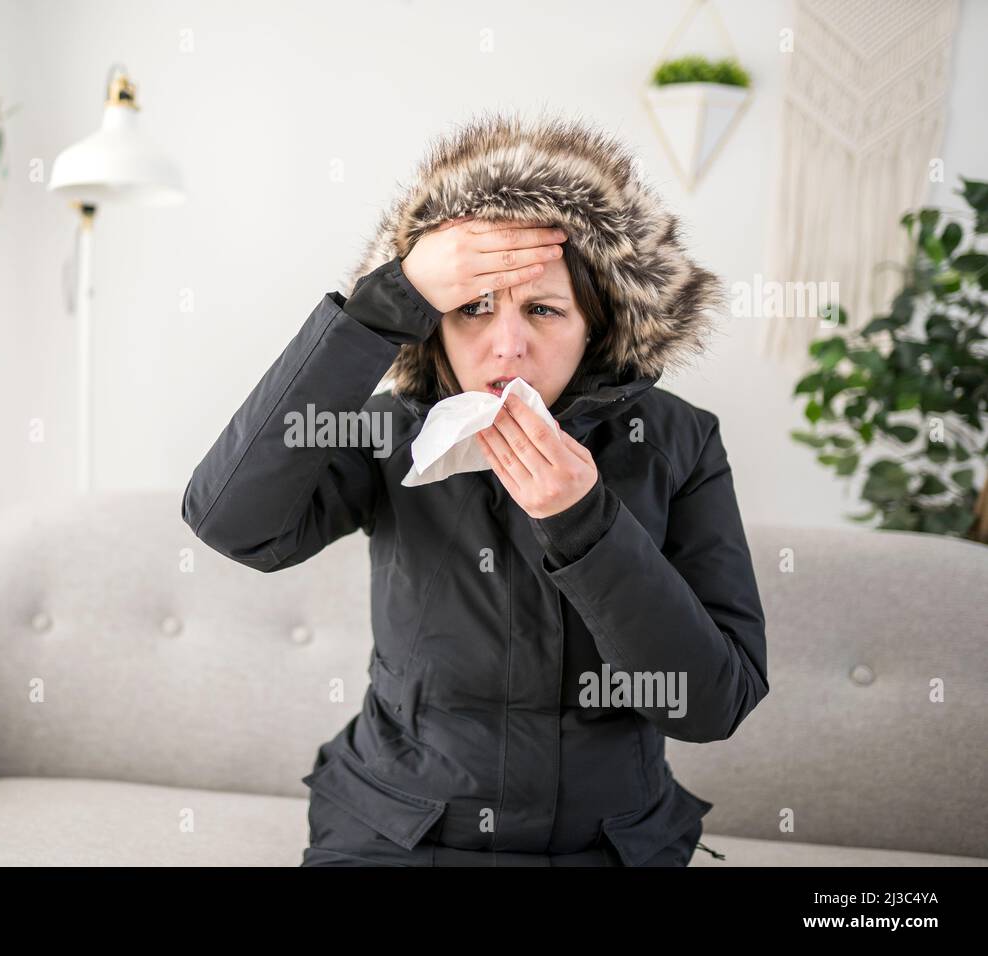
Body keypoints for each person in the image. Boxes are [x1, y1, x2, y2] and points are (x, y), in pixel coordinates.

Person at [181, 111, 769, 867]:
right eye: (473, 307)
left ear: (601, 326)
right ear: (434, 324)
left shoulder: (680, 444)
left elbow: (711, 703)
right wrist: (377, 309)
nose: (507, 344)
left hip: (609, 843)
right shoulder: (389, 432)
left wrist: (588, 527)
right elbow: (232, 522)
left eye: (545, 310)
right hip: (395, 832)